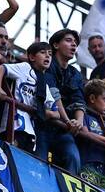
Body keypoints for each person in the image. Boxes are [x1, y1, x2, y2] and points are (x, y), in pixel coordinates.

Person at [24, 40, 80, 172]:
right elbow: (2, 68)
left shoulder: (74, 73)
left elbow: (61, 105)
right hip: (40, 127)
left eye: (49, 53)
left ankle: (70, 190)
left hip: (60, 129)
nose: (47, 56)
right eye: (43, 53)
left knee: (73, 157)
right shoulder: (35, 71)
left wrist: (76, 122)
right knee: (38, 163)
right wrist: (67, 121)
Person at [77, 79, 105, 189]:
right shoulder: (84, 115)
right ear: (92, 98)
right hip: (88, 164)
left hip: (104, 169)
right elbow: (85, 133)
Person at [48, 28, 86, 127]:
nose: (74, 44)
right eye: (68, 40)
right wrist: (67, 121)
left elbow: (78, 100)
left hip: (64, 127)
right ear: (56, 45)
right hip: (46, 122)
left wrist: (79, 122)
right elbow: (53, 93)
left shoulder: (75, 73)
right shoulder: (47, 65)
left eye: (75, 42)